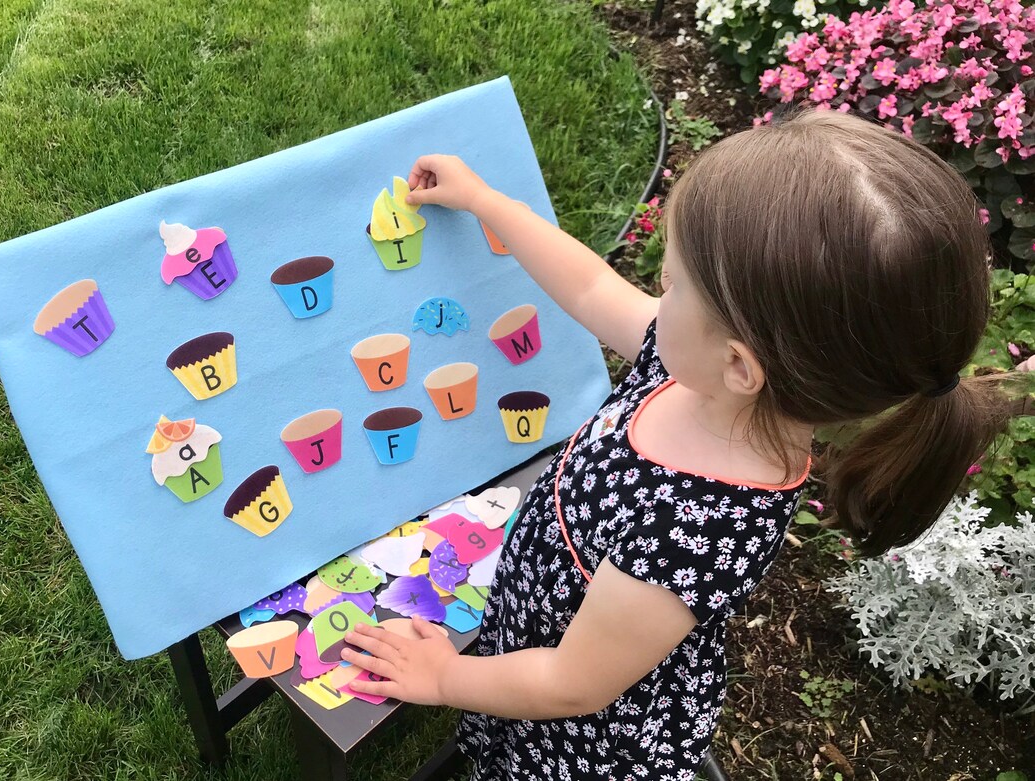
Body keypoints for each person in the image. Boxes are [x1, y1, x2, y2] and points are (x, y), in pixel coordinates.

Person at [340, 109, 1012, 780]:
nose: (659, 283)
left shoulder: (696, 524)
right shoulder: (704, 378)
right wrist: (488, 203)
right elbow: (591, 287)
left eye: (675, 283)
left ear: (740, 364)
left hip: (581, 740)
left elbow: (571, 684)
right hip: (551, 634)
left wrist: (445, 676)